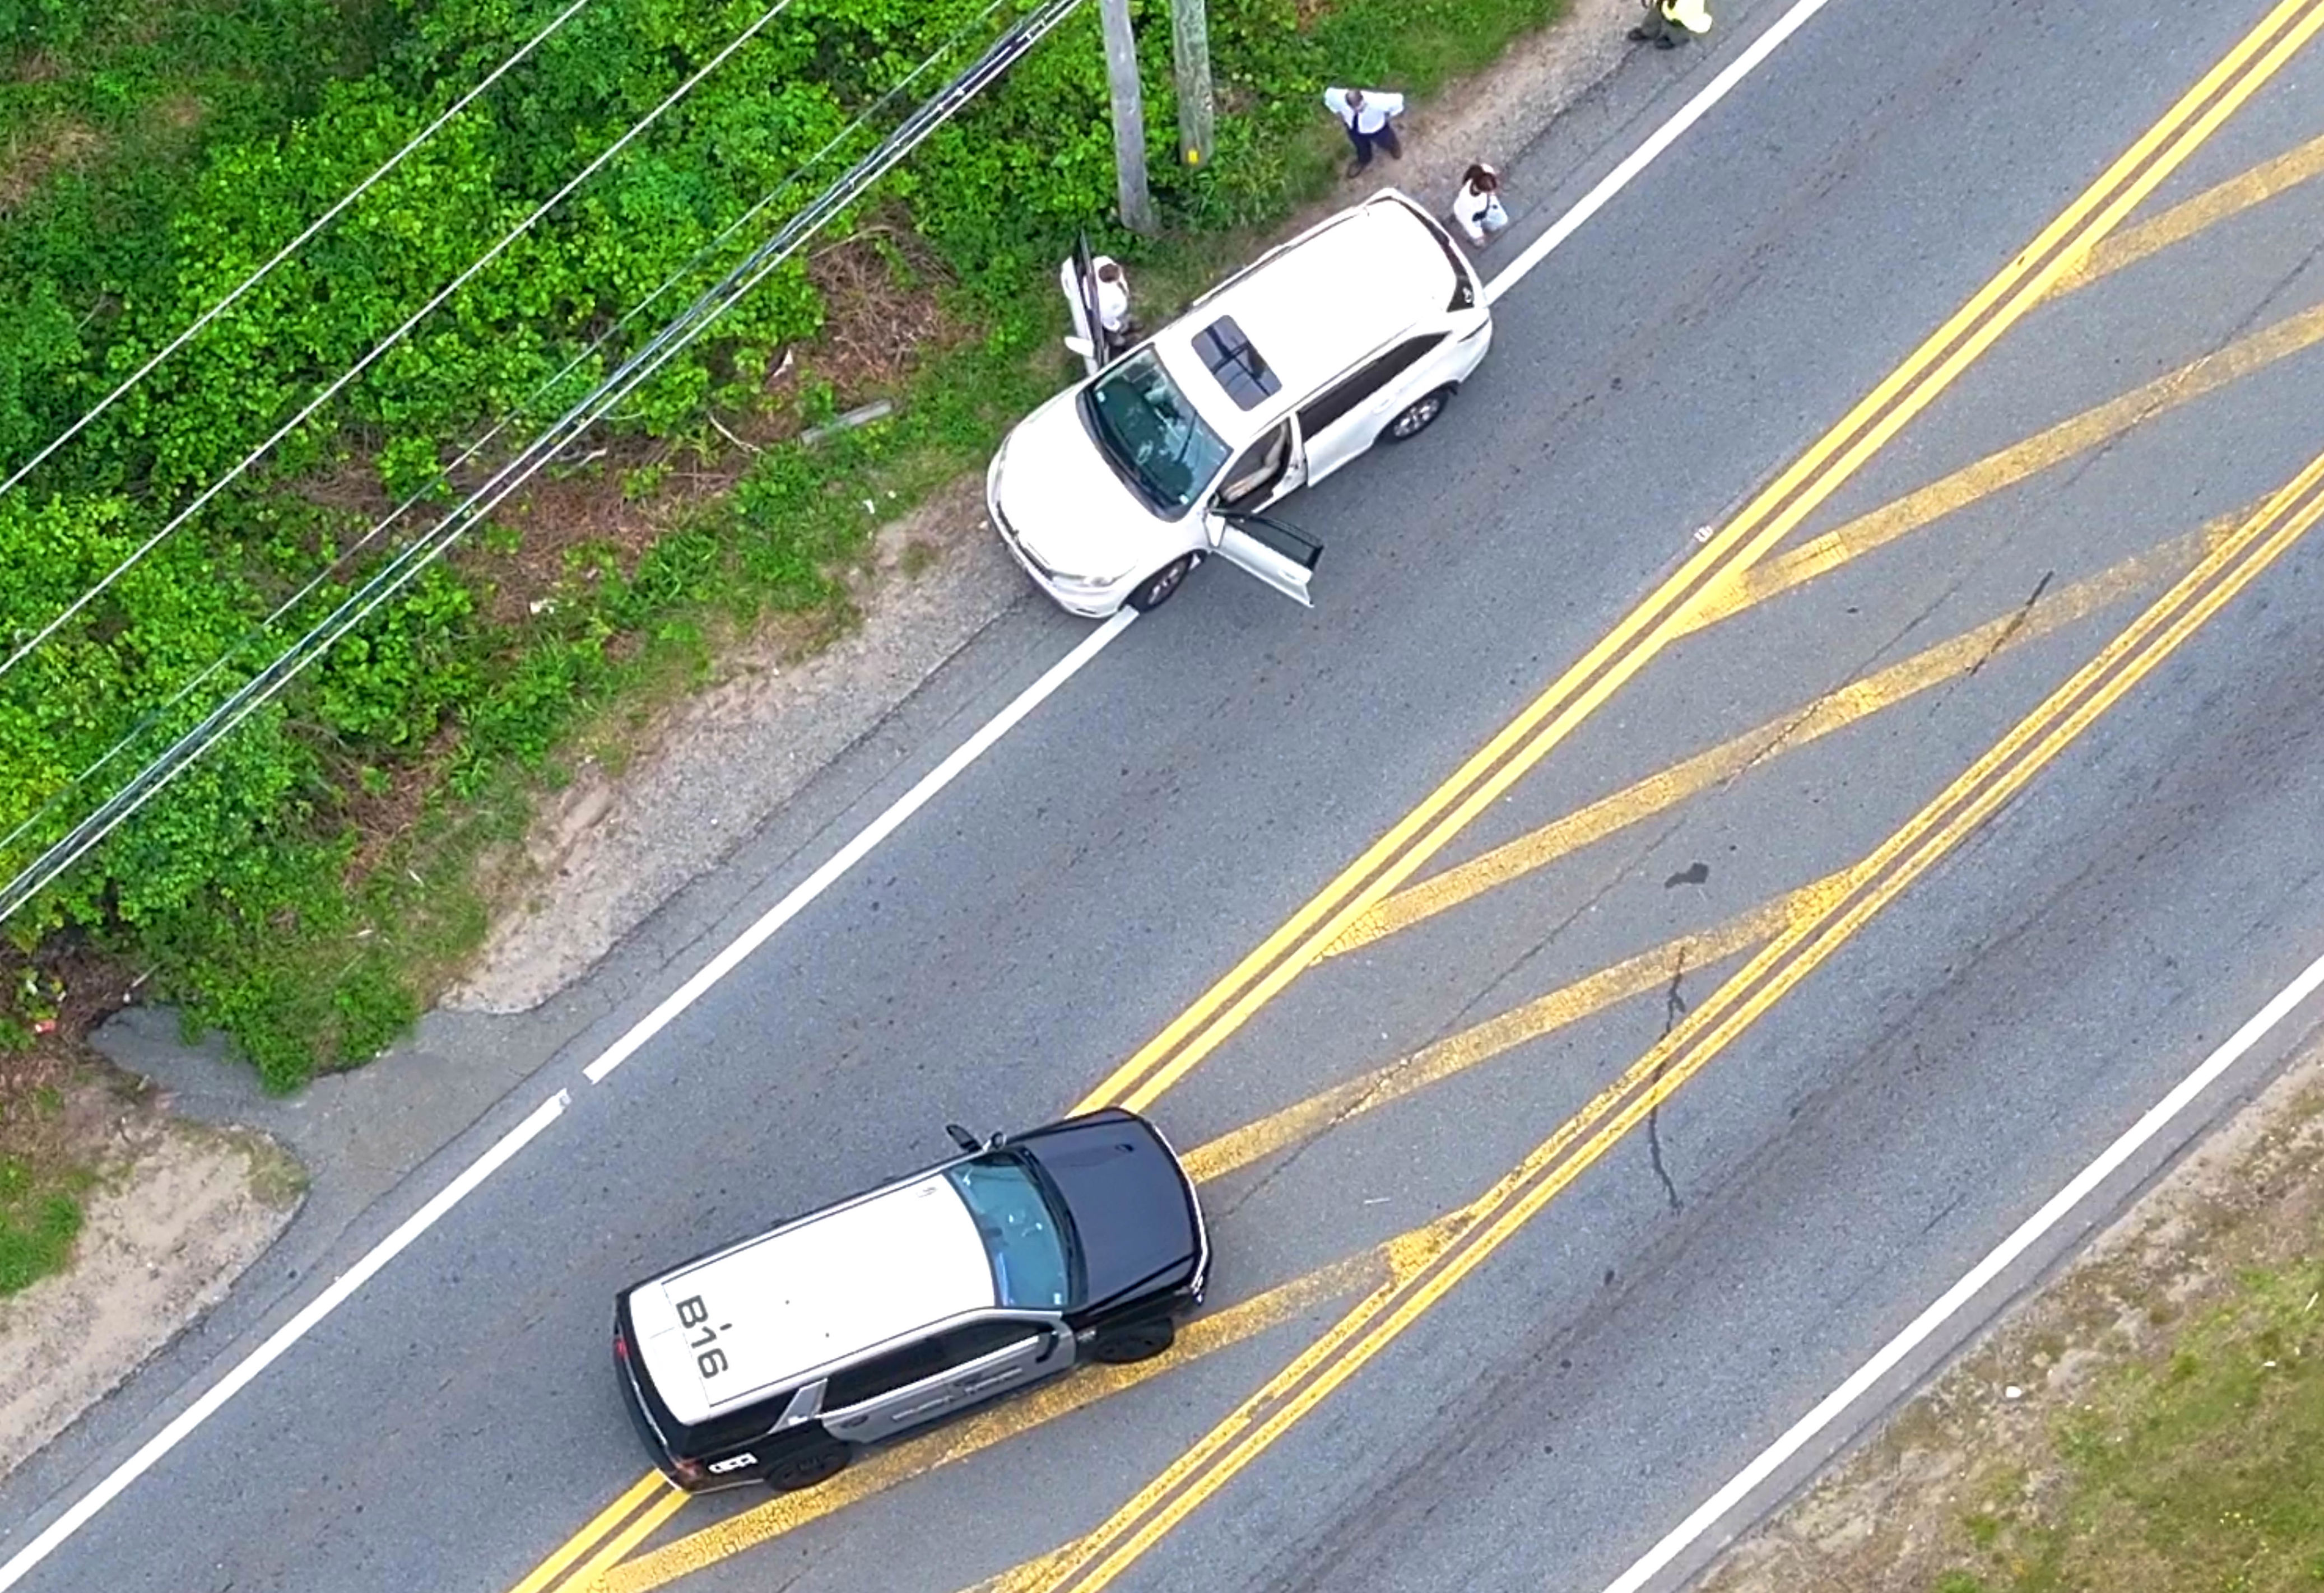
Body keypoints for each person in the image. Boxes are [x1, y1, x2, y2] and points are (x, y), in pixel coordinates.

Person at [1322, 86, 1407, 175]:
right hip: (1353, 128)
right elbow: (1329, 100)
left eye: (1360, 107)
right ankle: (1364, 160)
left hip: (1377, 128)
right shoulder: (1337, 97)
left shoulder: (1378, 101)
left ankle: (1393, 147)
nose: (1358, 110)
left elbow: (1398, 101)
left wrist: (1389, 115)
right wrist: (1338, 113)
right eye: (1354, 108)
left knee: (1387, 140)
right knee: (1360, 147)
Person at [1450, 164, 1509, 247]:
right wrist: (1477, 234)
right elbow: (1467, 221)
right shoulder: (1467, 202)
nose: (1493, 193)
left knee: (1502, 220)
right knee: (1495, 224)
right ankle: (1474, 238)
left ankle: (1486, 227)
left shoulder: (1484, 170)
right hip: (1475, 216)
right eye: (1490, 191)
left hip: (1485, 208)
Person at [1091, 255, 1133, 356]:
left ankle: (1127, 326)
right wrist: (1115, 326)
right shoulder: (1105, 300)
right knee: (1116, 332)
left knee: (1125, 319)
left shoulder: (1101, 261)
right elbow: (1106, 318)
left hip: (1120, 309)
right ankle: (1117, 342)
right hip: (1113, 316)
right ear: (1110, 281)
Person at [1629, 0, 1712, 48]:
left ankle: (1674, 41)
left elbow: (1693, 20)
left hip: (1679, 21)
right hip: (1662, 6)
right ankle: (1648, 32)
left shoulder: (1690, 5)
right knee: (1652, 20)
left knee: (1677, 33)